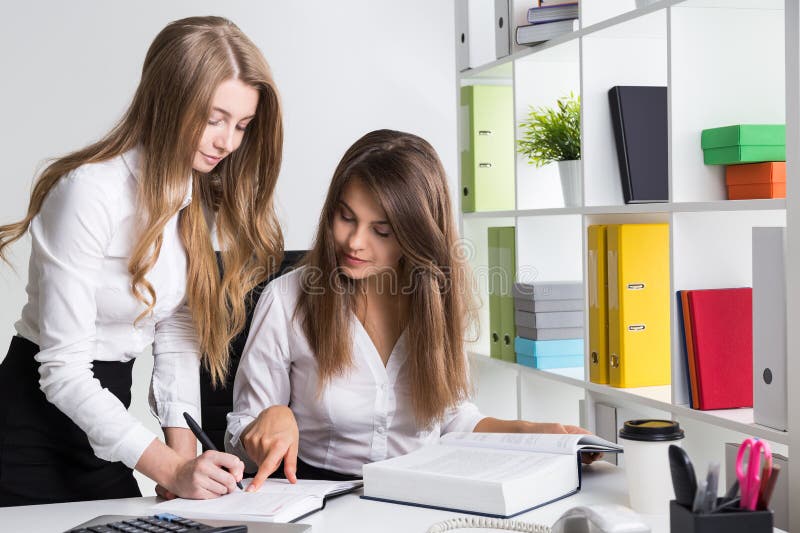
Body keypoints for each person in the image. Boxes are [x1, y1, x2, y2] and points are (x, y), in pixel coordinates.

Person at [0, 16, 284, 506]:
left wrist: (186, 462)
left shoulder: (188, 193)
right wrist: (171, 468)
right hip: (30, 433)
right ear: (169, 99)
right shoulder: (88, 193)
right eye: (214, 118)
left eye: (241, 125)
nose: (227, 142)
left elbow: (174, 331)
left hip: (105, 438)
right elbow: (63, 370)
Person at [226, 129, 598, 492]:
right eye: (346, 217)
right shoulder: (287, 299)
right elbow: (240, 436)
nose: (355, 242)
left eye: (381, 231)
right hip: (318, 498)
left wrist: (535, 434)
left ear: (416, 235)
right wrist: (271, 420)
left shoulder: (436, 300)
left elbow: (452, 418)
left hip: (420, 496)